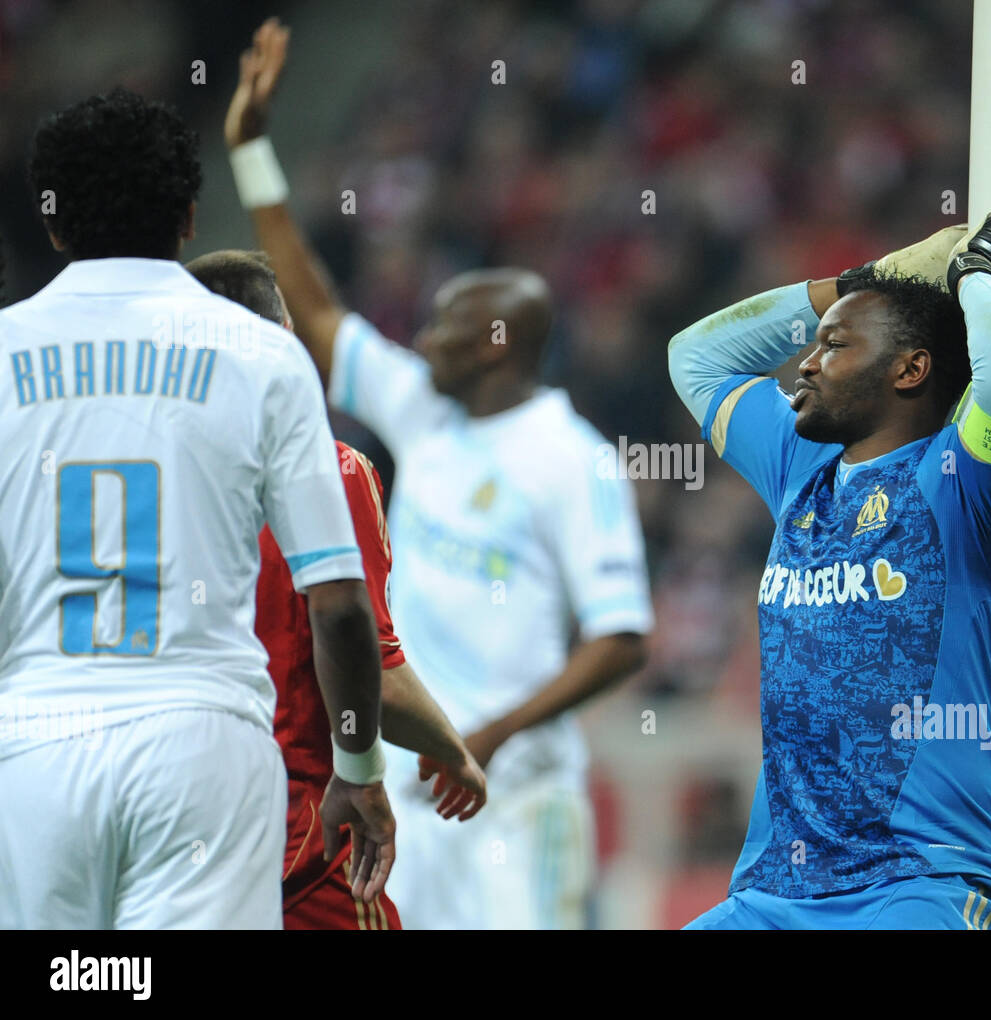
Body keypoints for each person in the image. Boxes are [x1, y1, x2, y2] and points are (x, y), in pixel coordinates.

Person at [223, 19, 655, 929]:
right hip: (411, 784)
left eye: (447, 328)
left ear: (500, 348)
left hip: (513, 793)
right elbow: (317, 311)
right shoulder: (426, 409)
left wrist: (489, 733)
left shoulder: (572, 461)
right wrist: (255, 154)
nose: (421, 342)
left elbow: (622, 638)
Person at [0, 89, 396, 929]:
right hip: (203, 745)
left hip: (32, 744)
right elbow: (340, 604)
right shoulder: (264, 358)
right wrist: (357, 767)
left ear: (55, 224)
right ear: (188, 217)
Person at [668, 195, 991, 929]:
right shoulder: (798, 462)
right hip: (779, 888)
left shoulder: (966, 481)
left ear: (910, 369)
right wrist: (863, 280)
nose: (806, 363)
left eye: (834, 345)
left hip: (930, 878)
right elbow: (694, 356)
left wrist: (974, 277)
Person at [187, 248, 488, 930]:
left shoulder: (154, 473)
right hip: (295, 828)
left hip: (162, 809)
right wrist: (452, 748)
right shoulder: (328, 470)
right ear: (284, 346)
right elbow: (364, 654)